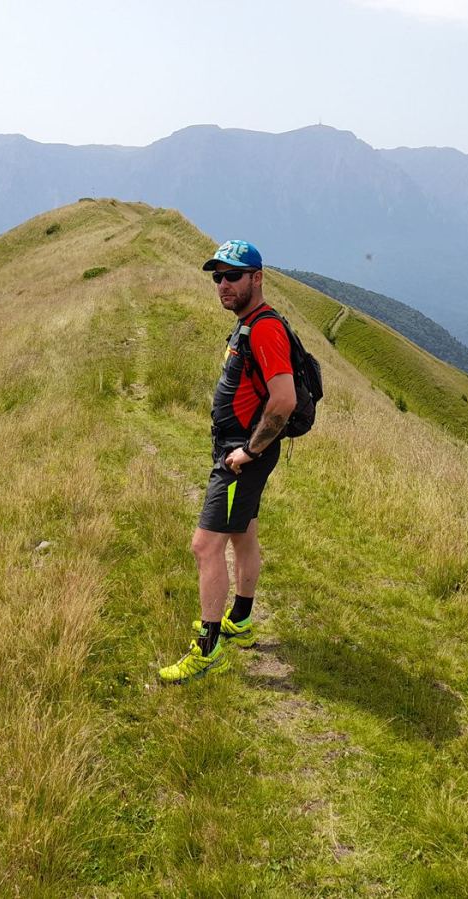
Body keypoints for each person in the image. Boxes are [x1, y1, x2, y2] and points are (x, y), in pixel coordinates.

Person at [158, 240, 296, 684]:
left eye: (233, 275)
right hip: (239, 450)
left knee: (205, 545)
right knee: (243, 532)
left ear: (257, 277)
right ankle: (240, 618)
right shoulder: (247, 324)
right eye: (217, 277)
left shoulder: (264, 329)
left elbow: (283, 402)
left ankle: (208, 649)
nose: (223, 285)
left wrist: (249, 452)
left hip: (242, 456)